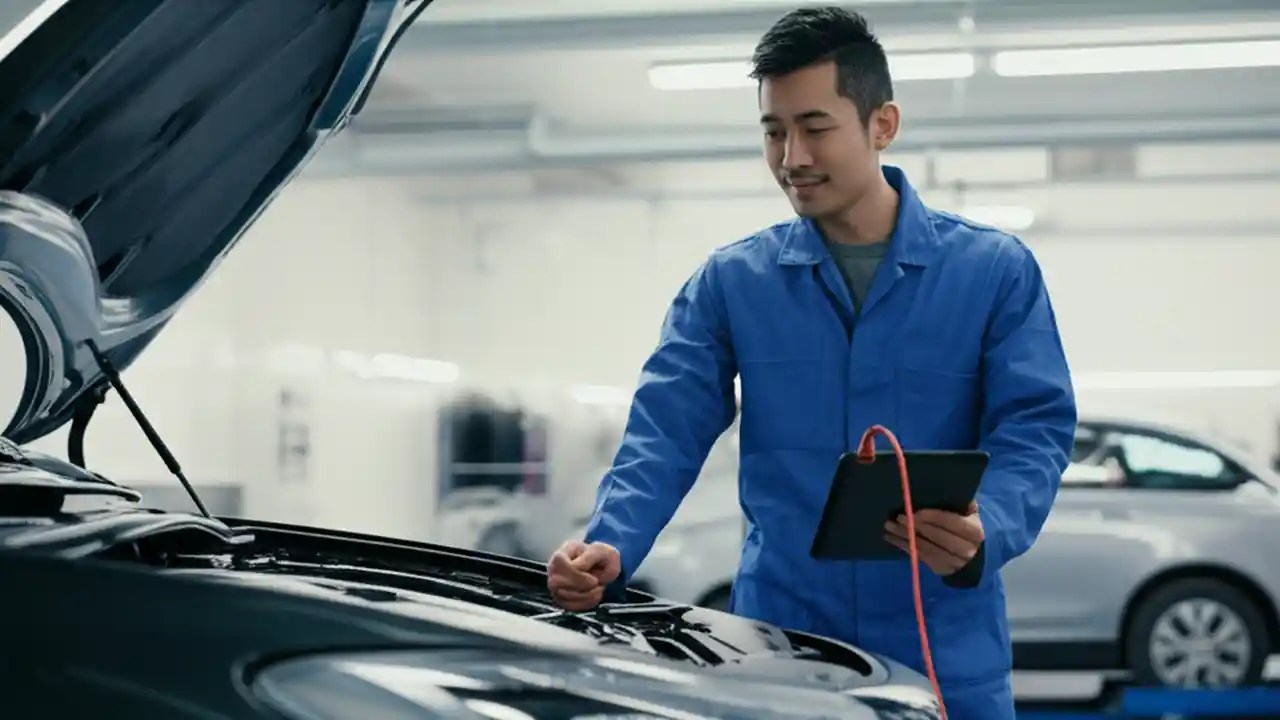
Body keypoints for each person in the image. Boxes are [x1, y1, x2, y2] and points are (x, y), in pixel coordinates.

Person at [544, 6, 1076, 719]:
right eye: (773, 131)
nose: (792, 156)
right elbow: (665, 428)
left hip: (944, 647)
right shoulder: (734, 283)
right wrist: (609, 541)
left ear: (881, 125)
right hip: (782, 648)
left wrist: (993, 525)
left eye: (815, 128)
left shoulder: (992, 272)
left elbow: (1034, 428)